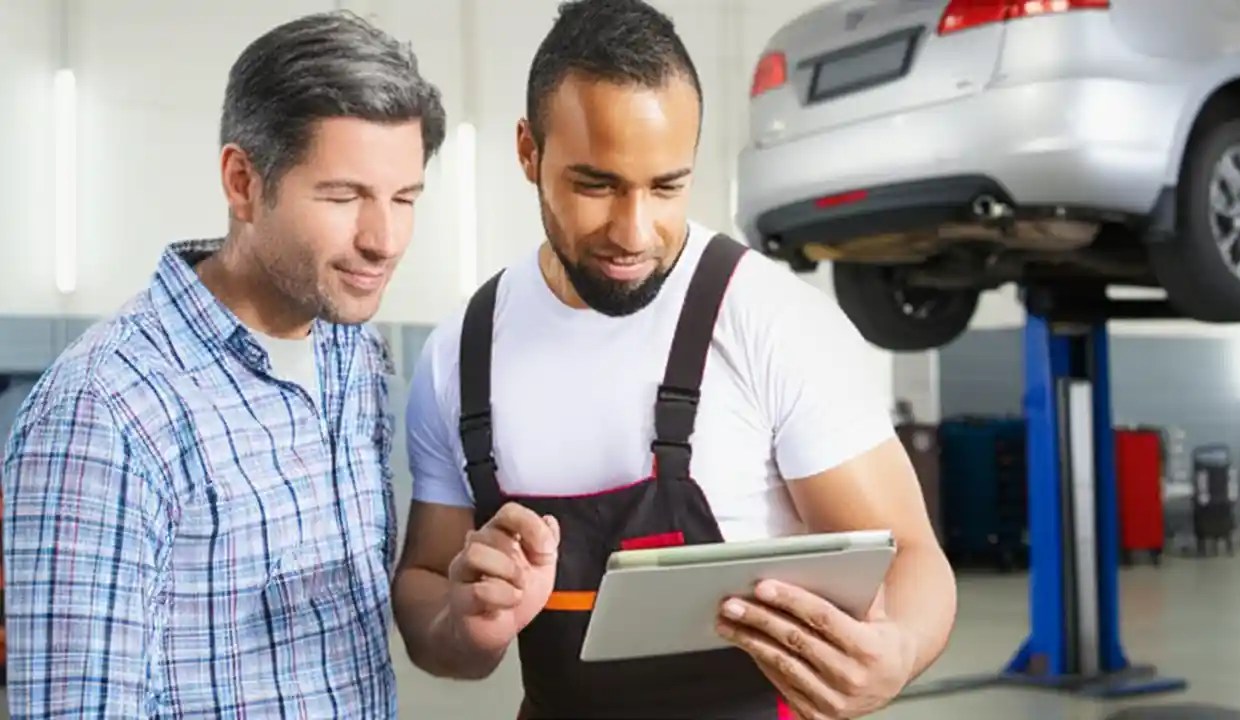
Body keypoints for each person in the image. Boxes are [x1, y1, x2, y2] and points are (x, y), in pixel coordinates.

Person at [392, 0, 956, 717]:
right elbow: (425, 585)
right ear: (529, 152)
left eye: (666, 187)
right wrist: (462, 624)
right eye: (596, 185)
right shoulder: (460, 356)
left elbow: (911, 555)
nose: (634, 231)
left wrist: (899, 650)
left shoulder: (770, 321)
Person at [1, 11, 445, 718]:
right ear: (243, 182)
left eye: (404, 198)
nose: (383, 239)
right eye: (343, 196)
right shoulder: (106, 412)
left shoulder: (351, 357)